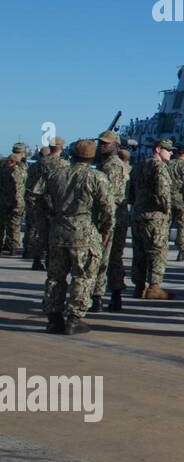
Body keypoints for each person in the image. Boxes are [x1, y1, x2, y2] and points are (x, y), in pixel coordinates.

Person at [40, 139, 112, 335]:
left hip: (58, 231)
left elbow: (42, 199)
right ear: (92, 156)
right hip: (84, 234)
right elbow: (107, 209)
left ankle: (54, 319)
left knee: (55, 277)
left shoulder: (56, 175)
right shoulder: (97, 177)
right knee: (83, 277)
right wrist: (106, 231)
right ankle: (74, 319)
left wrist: (53, 218)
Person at [128, 138, 174, 299]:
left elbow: (130, 193)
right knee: (157, 252)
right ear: (158, 149)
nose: (171, 153)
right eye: (168, 149)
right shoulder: (159, 166)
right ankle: (154, 287)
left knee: (139, 253)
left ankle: (139, 287)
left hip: (138, 214)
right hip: (155, 216)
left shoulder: (138, 166)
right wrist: (167, 210)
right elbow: (163, 191)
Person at [92, 132, 130, 311]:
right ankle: (115, 296)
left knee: (103, 258)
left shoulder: (111, 167)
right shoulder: (107, 164)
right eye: (100, 143)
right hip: (116, 216)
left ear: (116, 146)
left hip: (110, 217)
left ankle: (97, 297)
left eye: (105, 143)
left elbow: (108, 197)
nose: (101, 145)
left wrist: (104, 222)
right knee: (113, 258)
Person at [26, 138, 67, 272]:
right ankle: (51, 260)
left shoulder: (36, 164)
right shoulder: (64, 165)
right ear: (61, 148)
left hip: (38, 201)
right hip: (56, 204)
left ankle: (37, 259)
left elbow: (29, 186)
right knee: (54, 233)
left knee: (40, 232)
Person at [0, 143, 28, 254]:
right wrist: (19, 204)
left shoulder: (3, 164)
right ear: (22, 152)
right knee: (14, 224)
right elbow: (18, 188)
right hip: (13, 201)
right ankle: (12, 247)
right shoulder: (17, 167)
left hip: (2, 200)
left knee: (1, 224)